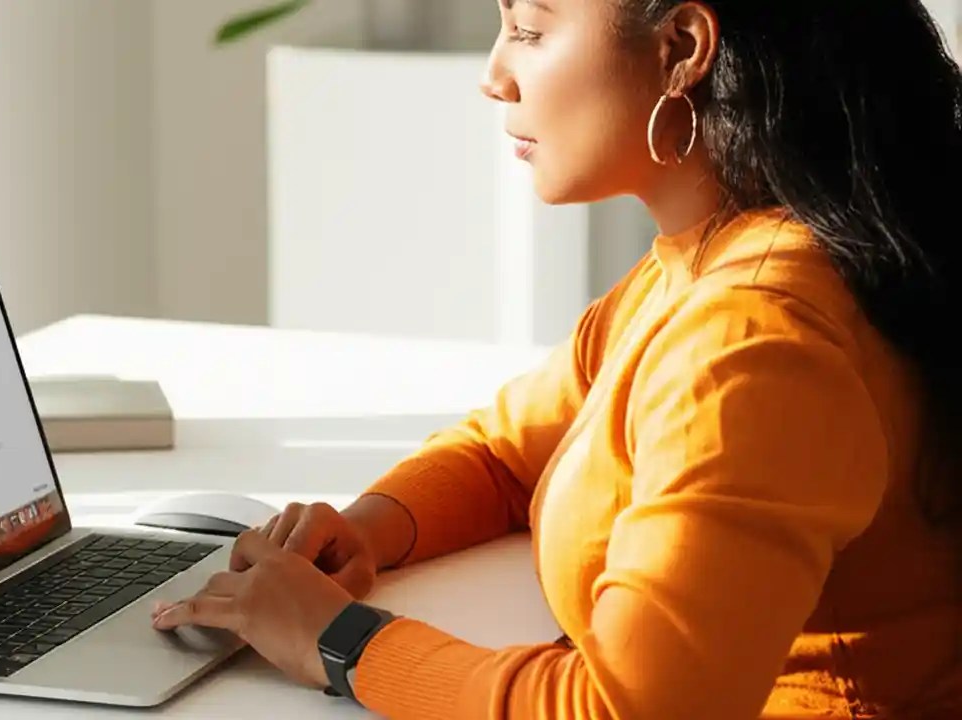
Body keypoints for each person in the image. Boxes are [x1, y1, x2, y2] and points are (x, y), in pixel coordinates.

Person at [152, 0, 962, 717]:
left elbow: (628, 710)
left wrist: (341, 643)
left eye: (530, 31)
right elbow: (509, 453)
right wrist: (366, 530)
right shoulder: (717, 261)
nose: (495, 76)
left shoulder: (753, 337)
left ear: (682, 46)